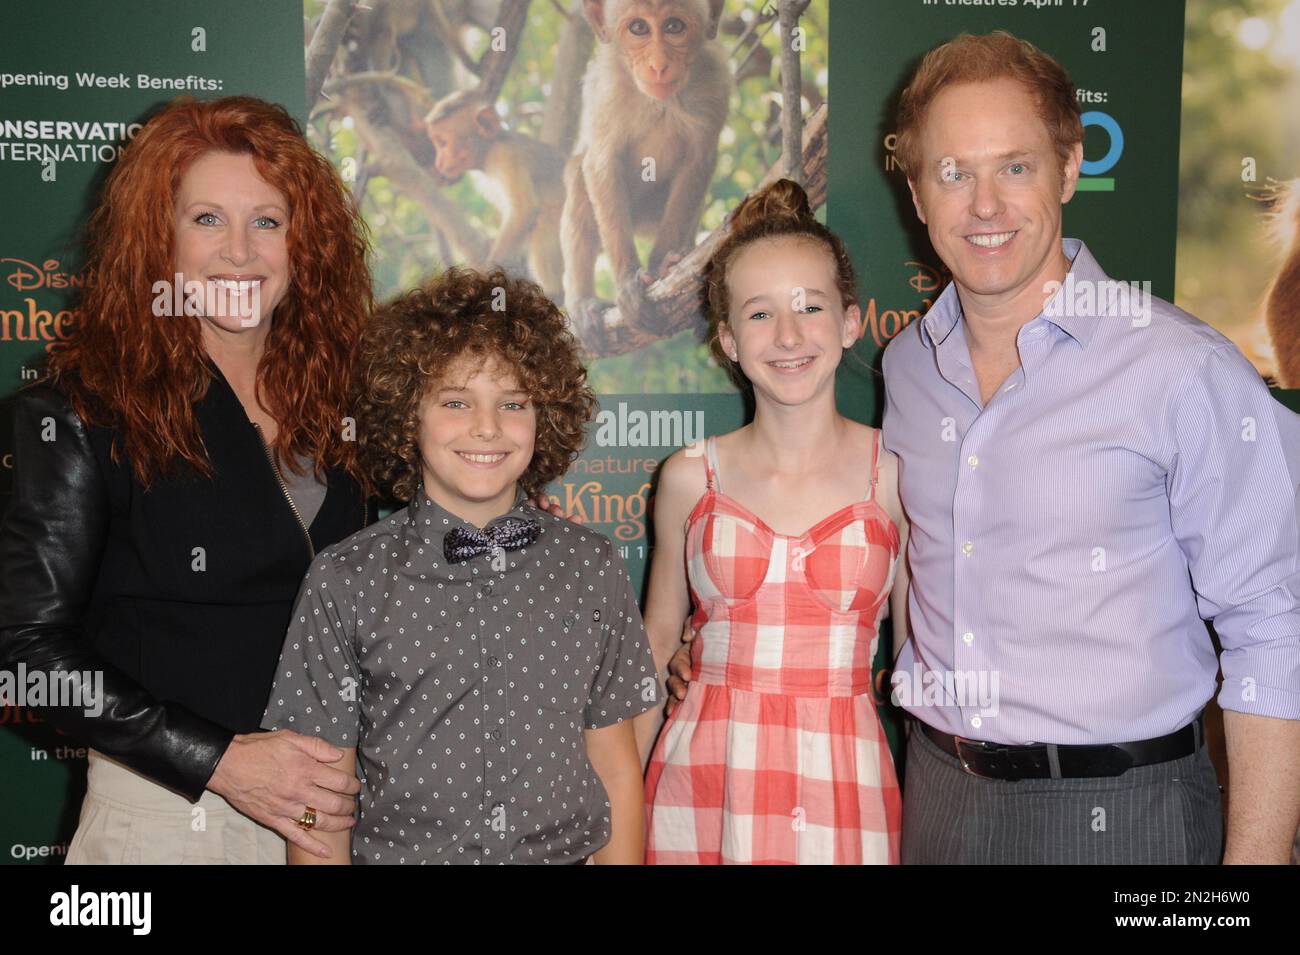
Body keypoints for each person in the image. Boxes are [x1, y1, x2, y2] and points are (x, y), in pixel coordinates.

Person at [674, 31, 1300, 864]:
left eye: (1015, 166)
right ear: (918, 195)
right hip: (936, 803)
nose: (985, 205)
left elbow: (1273, 627)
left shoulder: (1183, 369)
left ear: (1070, 168)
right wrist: (721, 647)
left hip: (1129, 816)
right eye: (953, 173)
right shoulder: (907, 369)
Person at [0, 96, 373, 863]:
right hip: (169, 823)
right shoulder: (78, 412)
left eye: (268, 221)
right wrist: (224, 762)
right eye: (206, 219)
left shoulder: (352, 404)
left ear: (306, 245)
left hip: (338, 821)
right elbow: (24, 656)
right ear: (157, 242)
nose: (239, 251)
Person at [260, 266, 657, 864]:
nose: (487, 427)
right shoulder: (345, 580)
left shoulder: (591, 566)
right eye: (455, 401)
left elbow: (616, 769)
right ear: (407, 414)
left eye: (513, 402)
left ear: (543, 414)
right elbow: (317, 793)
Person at [639, 179, 908, 864]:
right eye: (759, 315)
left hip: (844, 785)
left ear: (850, 322)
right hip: (701, 784)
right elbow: (654, 645)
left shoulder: (896, 476)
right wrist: (611, 817)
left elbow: (917, 660)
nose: (788, 335)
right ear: (727, 339)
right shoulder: (688, 477)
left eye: (810, 307)